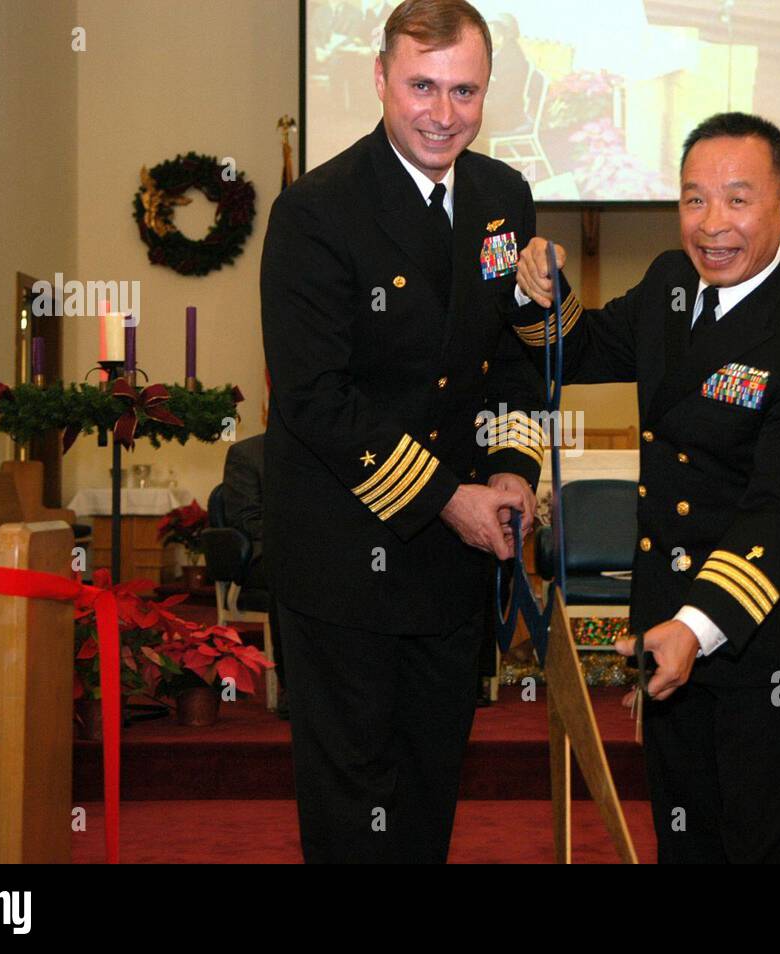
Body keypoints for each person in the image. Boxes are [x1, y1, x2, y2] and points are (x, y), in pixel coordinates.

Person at [515, 112, 780, 863]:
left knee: (762, 844)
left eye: (738, 200)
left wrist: (698, 623)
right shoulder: (671, 284)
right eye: (693, 199)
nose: (712, 225)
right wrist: (536, 287)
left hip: (761, 641)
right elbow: (577, 349)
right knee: (686, 836)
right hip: (667, 629)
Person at [261, 0, 545, 863]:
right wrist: (443, 497)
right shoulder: (318, 212)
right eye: (423, 85)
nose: (444, 113)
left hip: (454, 567)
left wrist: (509, 470)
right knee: (355, 803)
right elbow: (313, 398)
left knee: (429, 786)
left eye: (465, 91)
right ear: (379, 77)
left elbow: (516, 355)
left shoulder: (503, 196)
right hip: (345, 560)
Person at [218, 434, 289, 718]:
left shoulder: (324, 446)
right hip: (268, 554)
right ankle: (294, 687)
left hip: (323, 550)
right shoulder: (246, 453)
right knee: (292, 571)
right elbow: (246, 518)